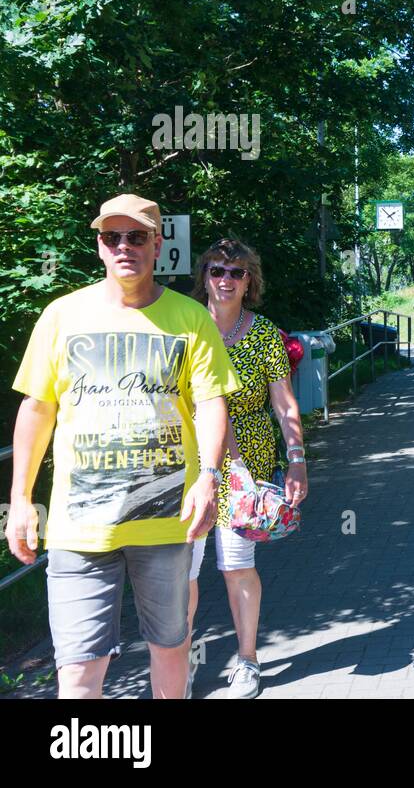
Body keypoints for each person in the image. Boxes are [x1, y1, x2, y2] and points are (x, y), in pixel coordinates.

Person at [6, 194, 239, 699]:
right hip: (80, 525)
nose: (123, 247)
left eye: (136, 237)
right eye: (112, 237)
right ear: (99, 246)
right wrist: (21, 500)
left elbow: (211, 404)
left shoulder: (190, 318)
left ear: (157, 244)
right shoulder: (62, 315)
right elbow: (37, 409)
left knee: (171, 646)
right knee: (78, 667)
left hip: (166, 517)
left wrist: (209, 477)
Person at [187, 238, 306, 699]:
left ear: (248, 280)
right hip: (192, 465)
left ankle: (248, 660)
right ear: (205, 276)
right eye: (217, 270)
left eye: (236, 273)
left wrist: (296, 459)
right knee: (185, 569)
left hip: (247, 467)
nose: (225, 279)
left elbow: (285, 404)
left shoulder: (263, 335)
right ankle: (178, 662)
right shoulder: (187, 328)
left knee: (236, 565)